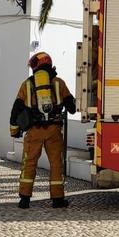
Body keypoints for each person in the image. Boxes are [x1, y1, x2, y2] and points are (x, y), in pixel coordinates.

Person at [11, 51, 76, 209]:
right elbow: (72, 108)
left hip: (34, 131)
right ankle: (58, 200)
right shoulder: (59, 83)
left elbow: (16, 109)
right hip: (54, 130)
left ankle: (25, 199)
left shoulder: (27, 84)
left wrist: (14, 130)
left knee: (29, 163)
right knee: (56, 164)